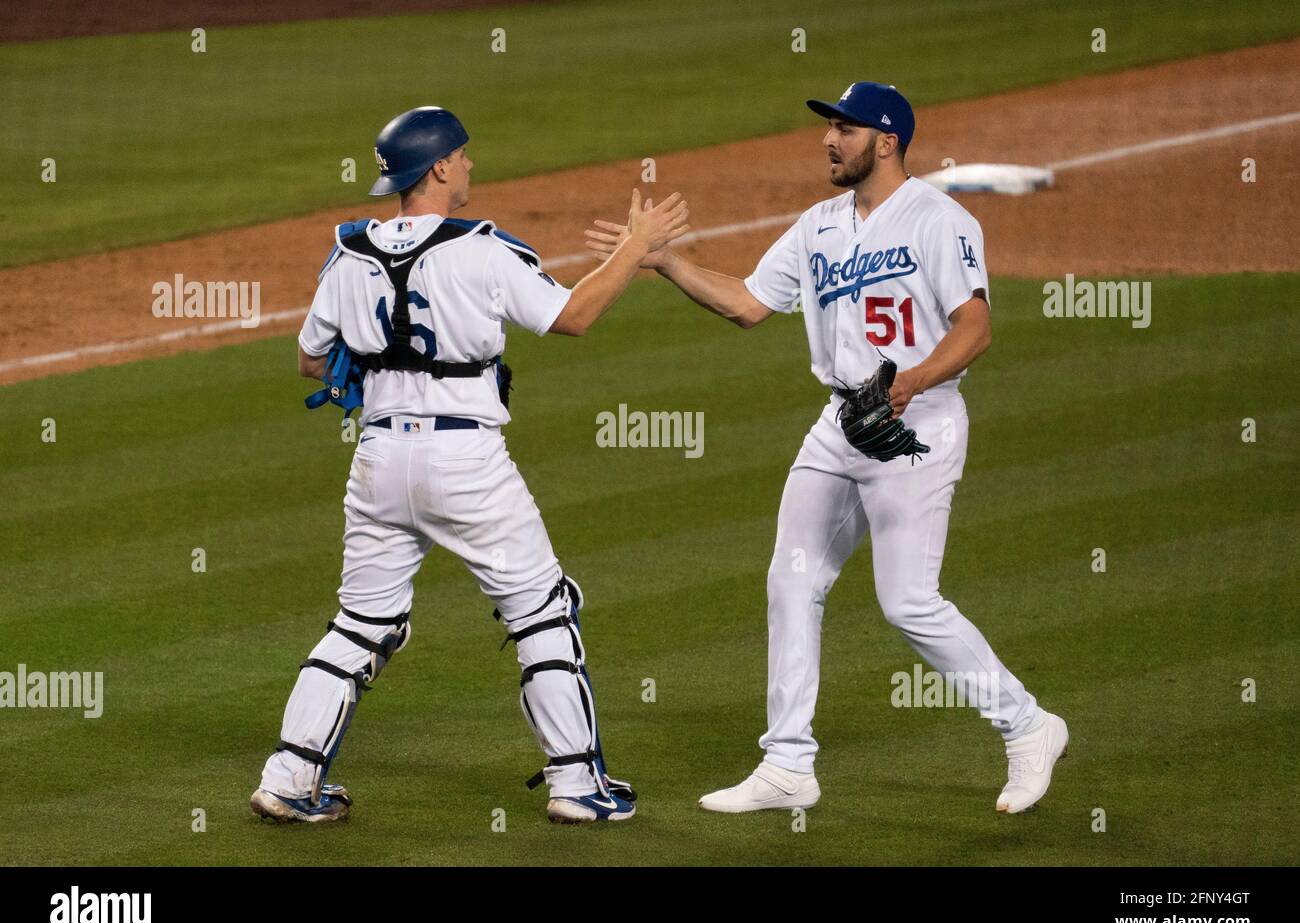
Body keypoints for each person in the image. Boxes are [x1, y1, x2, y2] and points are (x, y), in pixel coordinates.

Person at [585, 83, 1068, 815]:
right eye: (828, 128)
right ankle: (787, 763)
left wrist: (913, 381)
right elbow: (748, 303)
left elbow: (975, 328)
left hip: (917, 424)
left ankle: (1029, 726)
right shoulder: (818, 226)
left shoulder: (940, 220)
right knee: (791, 579)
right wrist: (664, 262)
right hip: (840, 423)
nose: (828, 140)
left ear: (886, 141)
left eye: (844, 128)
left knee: (906, 601)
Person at [250, 106, 688, 825]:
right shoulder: (483, 249)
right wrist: (635, 248)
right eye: (464, 156)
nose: (472, 166)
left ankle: (289, 778)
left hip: (379, 456)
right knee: (543, 611)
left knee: (362, 623)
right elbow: (572, 316)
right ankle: (577, 786)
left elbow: (309, 360)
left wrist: (384, 363)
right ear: (440, 167)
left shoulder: (348, 253)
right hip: (467, 461)